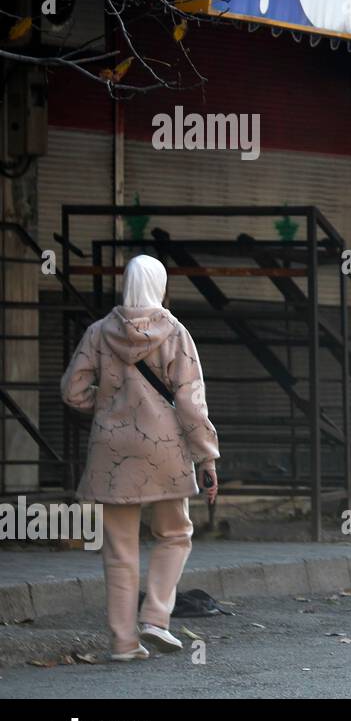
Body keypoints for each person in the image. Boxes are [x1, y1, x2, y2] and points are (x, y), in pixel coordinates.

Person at [61, 254, 220, 661]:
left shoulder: (98, 332)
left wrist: (108, 402)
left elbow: (72, 391)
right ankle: (155, 618)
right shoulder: (175, 332)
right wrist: (206, 455)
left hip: (112, 454)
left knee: (119, 551)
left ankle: (123, 643)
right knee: (174, 534)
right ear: (160, 285)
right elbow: (190, 400)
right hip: (163, 450)